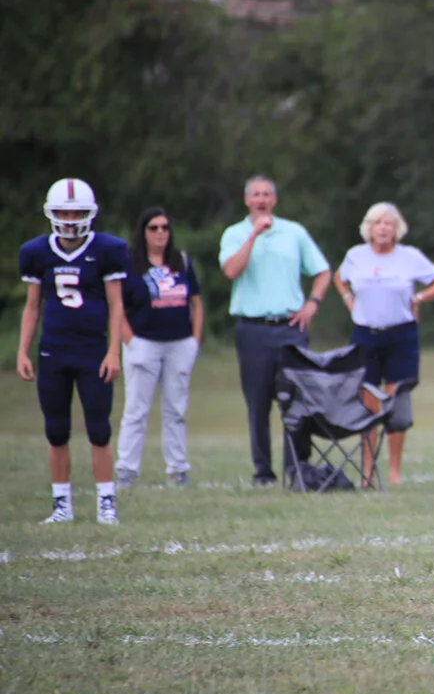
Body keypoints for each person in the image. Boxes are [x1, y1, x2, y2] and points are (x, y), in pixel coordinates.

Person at [17, 178, 128, 525]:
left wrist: (114, 351)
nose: (70, 217)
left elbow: (116, 303)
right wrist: (23, 350)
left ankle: (106, 502)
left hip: (93, 350)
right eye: (64, 211)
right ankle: (61, 504)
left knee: (99, 429)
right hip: (54, 352)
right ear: (52, 213)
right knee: (56, 429)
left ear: (89, 213)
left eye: (77, 211)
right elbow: (32, 306)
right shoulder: (36, 252)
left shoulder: (108, 249)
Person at [332, 202, 434, 485]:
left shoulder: (409, 257)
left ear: (396, 229)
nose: (383, 228)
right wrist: (348, 299)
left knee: (396, 400)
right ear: (369, 229)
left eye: (388, 223)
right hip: (365, 333)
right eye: (378, 223)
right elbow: (340, 278)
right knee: (367, 402)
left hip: (401, 334)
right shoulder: (356, 256)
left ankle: (394, 471)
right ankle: (367, 469)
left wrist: (419, 298)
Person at [219, 175, 331, 487]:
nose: (261, 199)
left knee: (296, 401)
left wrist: (312, 303)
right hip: (253, 329)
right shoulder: (235, 234)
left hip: (290, 328)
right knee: (257, 403)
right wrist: (253, 235)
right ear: (247, 201)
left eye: (267, 194)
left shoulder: (294, 232)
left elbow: (322, 271)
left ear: (275, 200)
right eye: (255, 194)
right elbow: (231, 270)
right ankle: (263, 473)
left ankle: (296, 468)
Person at [114, 207, 204, 490]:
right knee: (137, 410)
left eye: (165, 227)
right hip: (144, 342)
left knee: (176, 410)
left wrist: (194, 340)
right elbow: (116, 305)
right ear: (143, 232)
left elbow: (196, 303)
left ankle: (178, 470)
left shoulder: (181, 261)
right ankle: (127, 470)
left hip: (179, 343)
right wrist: (129, 340)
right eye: (154, 228)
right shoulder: (129, 263)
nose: (160, 233)